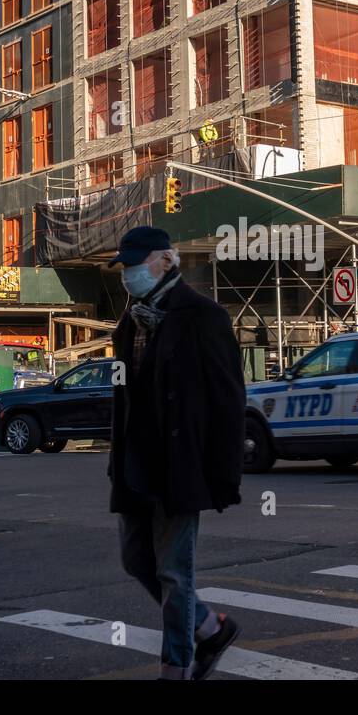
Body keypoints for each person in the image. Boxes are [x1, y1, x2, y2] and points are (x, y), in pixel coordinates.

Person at [107, 226, 246, 679]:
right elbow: (122, 398)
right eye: (124, 267)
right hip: (134, 466)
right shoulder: (131, 321)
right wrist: (116, 460)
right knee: (136, 561)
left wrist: (224, 473)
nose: (128, 274)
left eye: (134, 265)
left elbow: (228, 400)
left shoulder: (203, 316)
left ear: (165, 261)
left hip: (178, 465)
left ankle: (176, 667)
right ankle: (210, 627)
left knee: (174, 574)